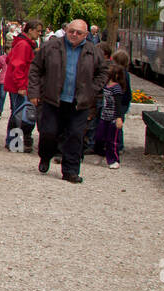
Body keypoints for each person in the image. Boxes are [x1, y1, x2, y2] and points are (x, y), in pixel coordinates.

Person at [28, 19, 109, 183]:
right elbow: (35, 69)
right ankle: (45, 155)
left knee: (75, 136)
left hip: (79, 103)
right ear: (66, 30)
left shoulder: (93, 52)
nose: (74, 35)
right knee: (48, 132)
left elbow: (104, 72)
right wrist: (34, 91)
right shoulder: (51, 47)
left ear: (85, 35)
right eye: (71, 31)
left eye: (79, 33)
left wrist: (92, 90)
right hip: (52, 99)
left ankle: (70, 170)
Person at [2, 20, 41, 151]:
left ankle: (14, 142)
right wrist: (22, 86)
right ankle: (14, 143)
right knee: (19, 114)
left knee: (17, 113)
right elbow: (18, 65)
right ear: (30, 30)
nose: (39, 34)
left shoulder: (21, 43)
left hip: (17, 83)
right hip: (19, 85)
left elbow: (10, 60)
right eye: (38, 31)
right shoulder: (24, 45)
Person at [92, 65, 128, 169]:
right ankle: (100, 153)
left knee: (112, 140)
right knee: (99, 137)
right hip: (104, 116)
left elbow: (118, 105)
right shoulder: (106, 85)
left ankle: (113, 160)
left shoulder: (117, 88)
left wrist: (119, 118)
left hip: (113, 118)